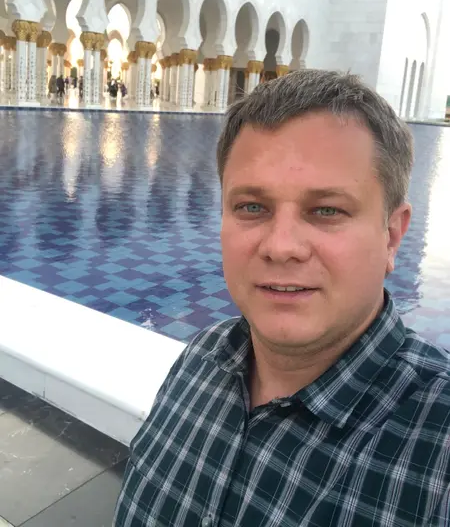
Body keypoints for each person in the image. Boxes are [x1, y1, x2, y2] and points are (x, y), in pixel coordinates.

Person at [114, 70, 450, 527]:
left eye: (327, 210)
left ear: (391, 236)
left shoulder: (437, 445)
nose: (280, 246)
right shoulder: (200, 362)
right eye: (252, 207)